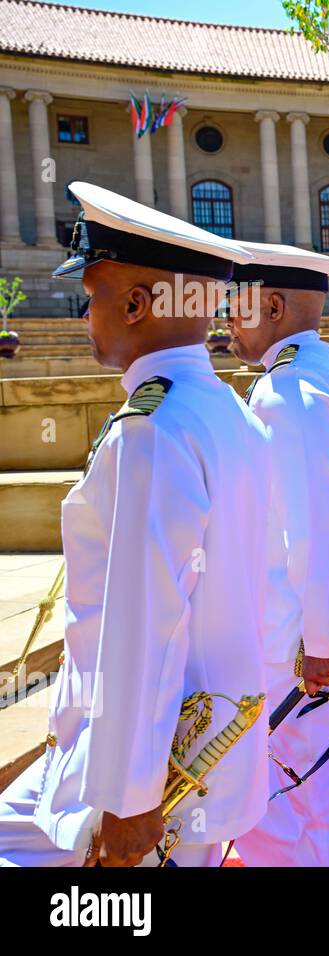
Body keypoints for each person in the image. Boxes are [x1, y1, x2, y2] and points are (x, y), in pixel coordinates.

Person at [0, 182, 271, 866]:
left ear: (134, 304)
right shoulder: (223, 409)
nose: (85, 313)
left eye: (91, 296)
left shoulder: (152, 429)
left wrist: (129, 800)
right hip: (199, 748)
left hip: (147, 772)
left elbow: (144, 619)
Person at [224, 241, 329, 867]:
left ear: (270, 305)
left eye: (233, 306)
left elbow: (311, 528)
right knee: (324, 799)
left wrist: (320, 644)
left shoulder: (284, 390)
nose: (224, 320)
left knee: (283, 810)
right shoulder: (322, 371)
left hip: (307, 638)